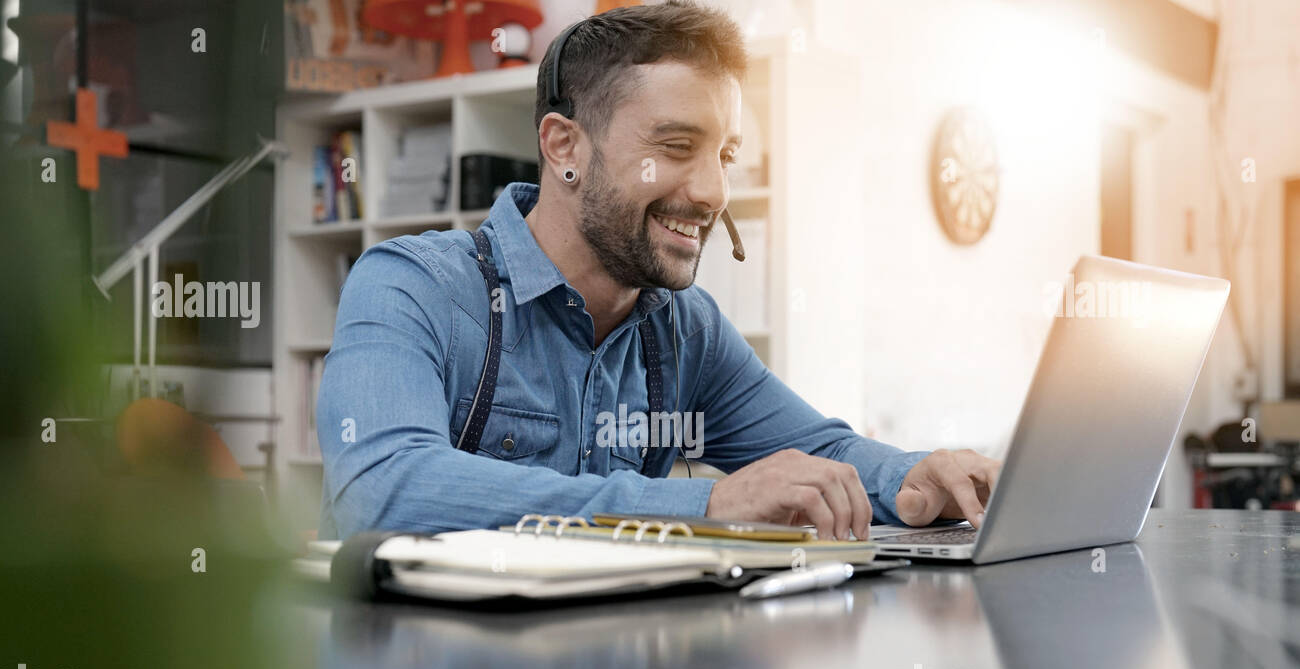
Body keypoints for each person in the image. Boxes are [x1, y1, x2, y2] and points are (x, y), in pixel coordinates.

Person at [317, 0, 1000, 541]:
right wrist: (707, 503)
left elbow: (818, 448)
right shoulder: (413, 288)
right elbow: (384, 489)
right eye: (676, 147)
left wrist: (921, 473)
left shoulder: (681, 329)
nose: (711, 192)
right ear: (564, 147)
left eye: (724, 156)